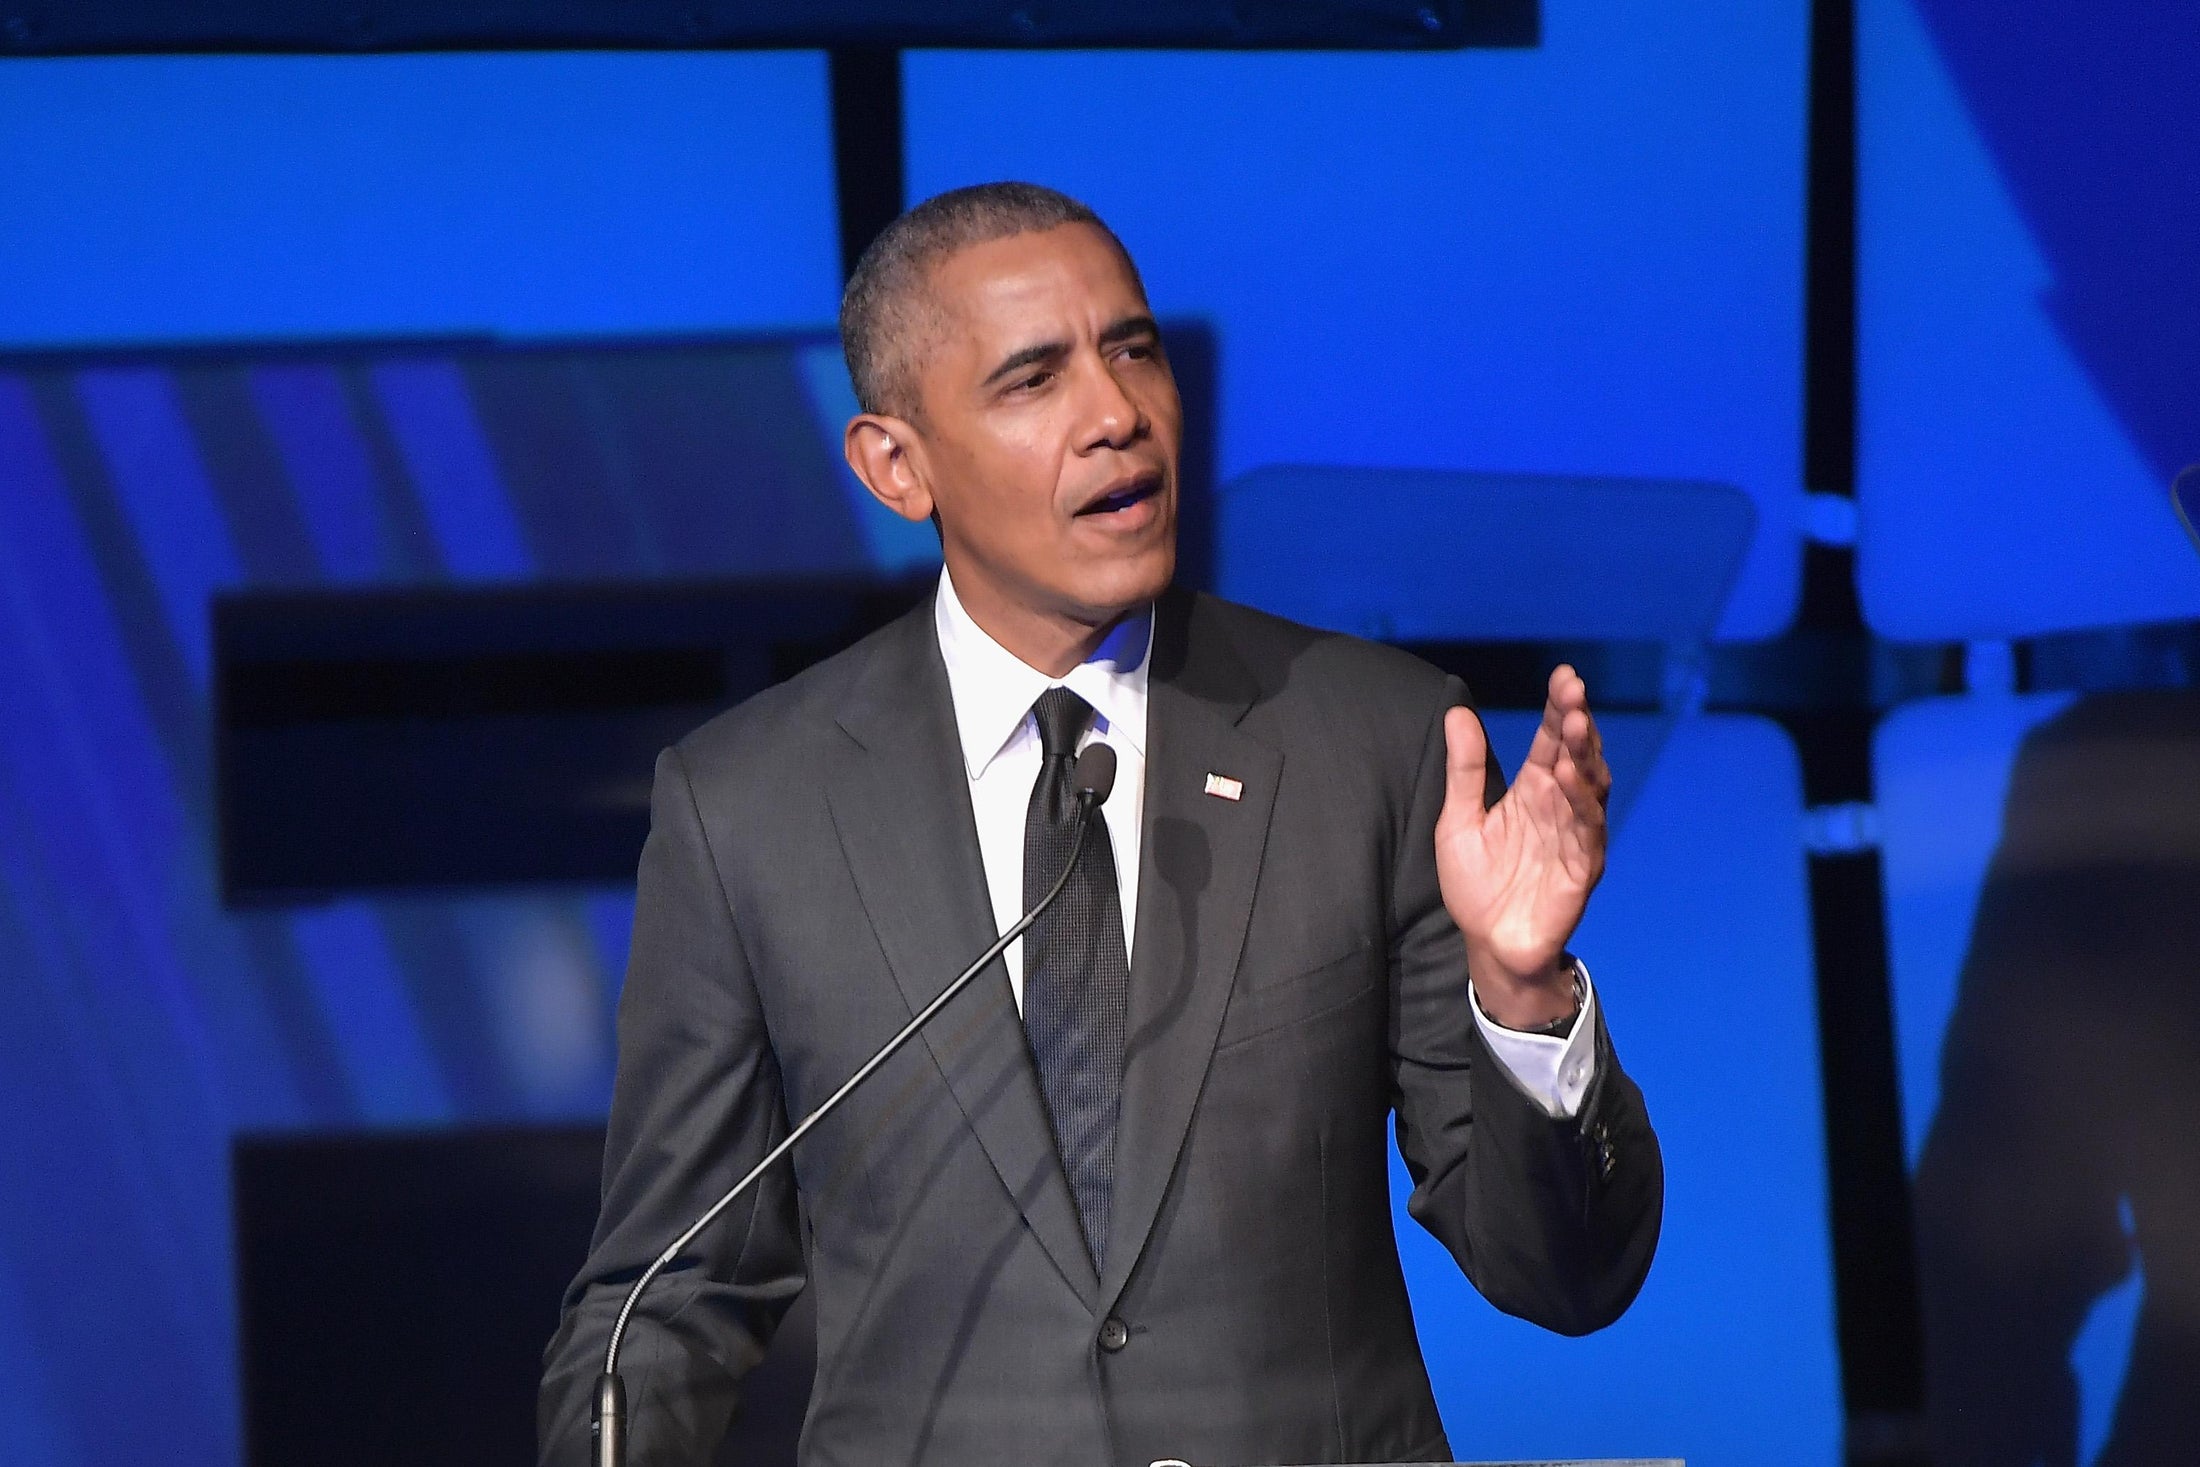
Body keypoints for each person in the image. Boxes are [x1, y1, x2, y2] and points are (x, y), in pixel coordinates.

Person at [540, 182, 1662, 1467]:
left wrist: (1520, 995)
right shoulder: (750, 807)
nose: (1117, 414)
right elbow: (666, 1301)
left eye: (1133, 351)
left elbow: (1569, 1278)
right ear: (896, 466)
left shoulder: (1375, 742)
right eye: (1033, 379)